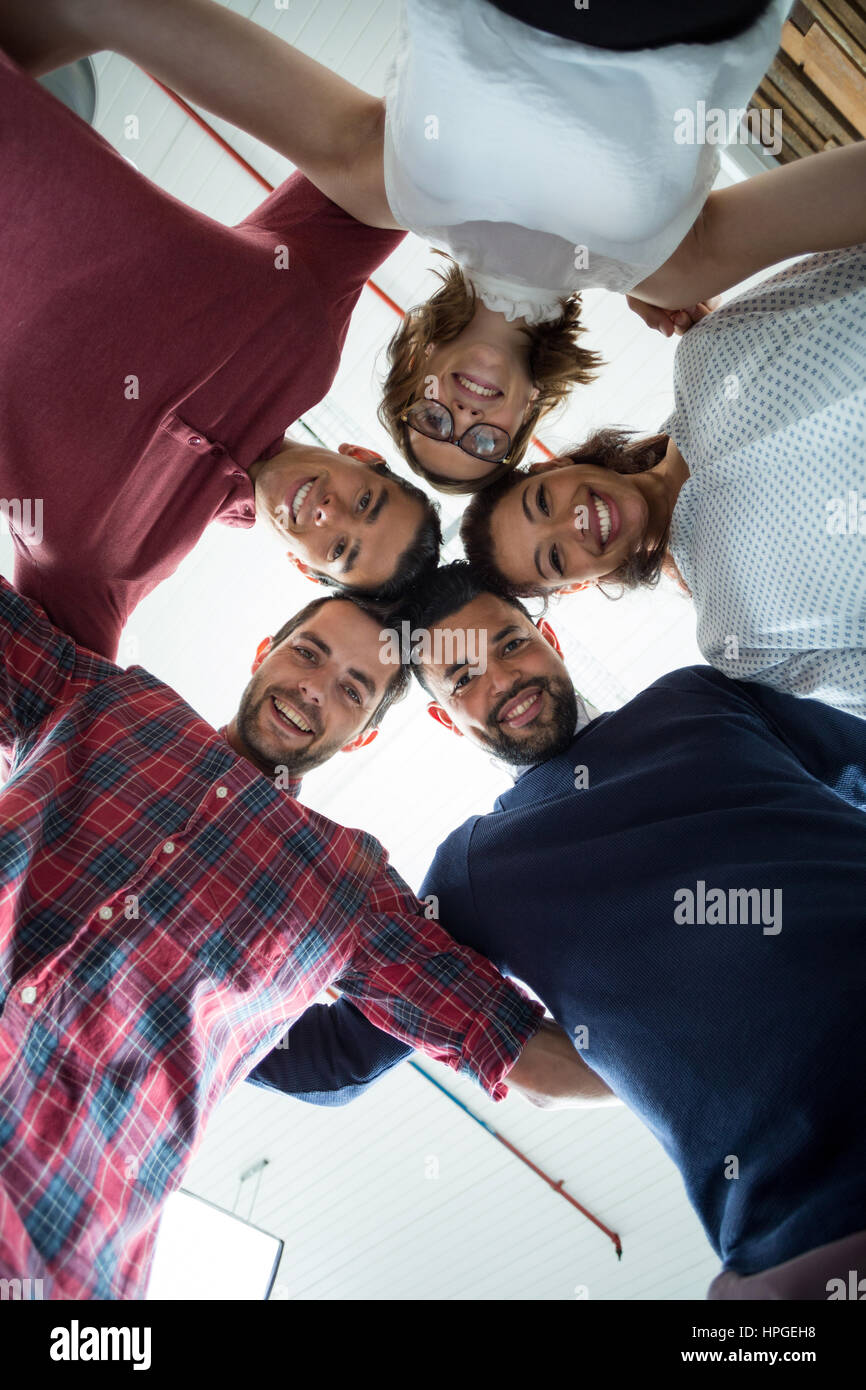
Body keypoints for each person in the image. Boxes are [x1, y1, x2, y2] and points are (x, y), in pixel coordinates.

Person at [248, 562, 866, 1301]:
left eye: (511, 644)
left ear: (548, 638)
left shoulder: (698, 695)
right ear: (446, 715)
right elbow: (334, 1058)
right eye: (464, 677)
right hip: (803, 1235)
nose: (503, 680)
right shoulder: (476, 870)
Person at [0, 576, 611, 1299]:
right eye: (309, 654)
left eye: (354, 691)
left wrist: (724, 1068)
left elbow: (521, 1050)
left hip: (55, 1244)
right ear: (266, 651)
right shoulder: (114, 701)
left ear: (365, 734)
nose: (317, 688)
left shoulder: (348, 884)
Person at [34, 0, 866, 494]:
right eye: (482, 439)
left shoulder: (385, 190)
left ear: (415, 366)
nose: (464, 414)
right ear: (524, 417)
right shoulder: (668, 267)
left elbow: (116, 11)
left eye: (432, 417)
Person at [0, 23, 441, 663]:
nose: (330, 516)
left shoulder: (111, 578)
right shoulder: (305, 328)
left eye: (342, 551)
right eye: (365, 502)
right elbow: (410, 162)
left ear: (305, 569)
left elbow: (50, 726)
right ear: (360, 454)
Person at [461, 244, 866, 719]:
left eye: (544, 503)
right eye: (554, 557)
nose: (572, 522)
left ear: (554, 466)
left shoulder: (708, 356)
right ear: (574, 585)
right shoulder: (737, 638)